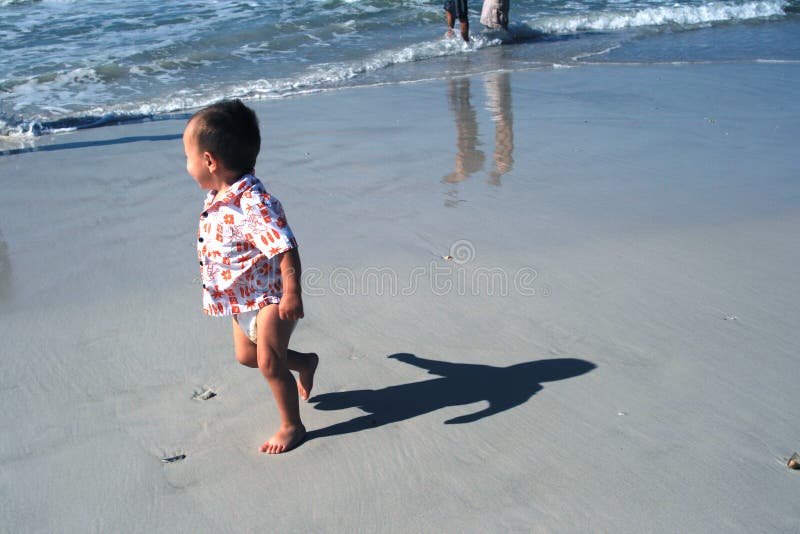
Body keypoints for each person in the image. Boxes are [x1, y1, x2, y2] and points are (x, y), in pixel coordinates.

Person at [183, 99, 318, 454]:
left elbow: (285, 247)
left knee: (269, 363)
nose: (186, 165)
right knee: (247, 356)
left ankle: (292, 425)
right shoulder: (218, 196)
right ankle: (305, 362)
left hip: (271, 296)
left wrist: (292, 292)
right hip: (241, 299)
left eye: (188, 157)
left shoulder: (253, 204)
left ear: (209, 161)